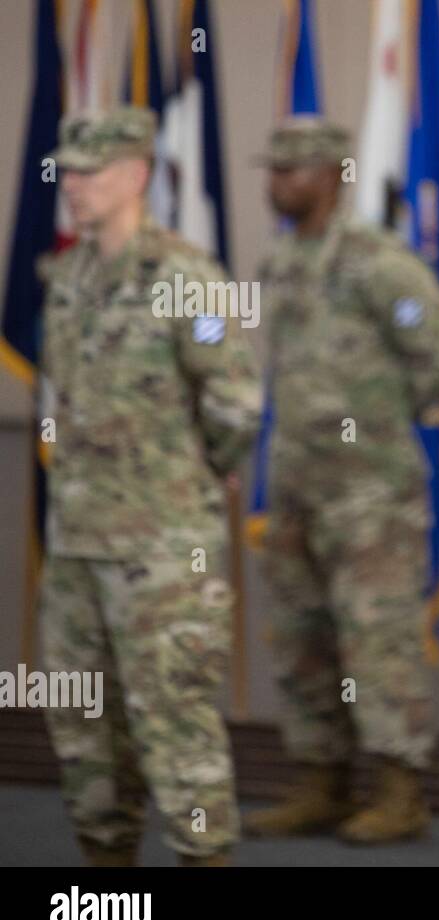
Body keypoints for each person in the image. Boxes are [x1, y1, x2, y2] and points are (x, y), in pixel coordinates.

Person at [38, 106, 262, 866]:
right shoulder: (66, 276)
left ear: (136, 174)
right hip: (75, 542)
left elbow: (236, 403)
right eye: (66, 169)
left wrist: (189, 475)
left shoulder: (186, 277)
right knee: (84, 732)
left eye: (89, 170)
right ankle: (110, 877)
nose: (72, 184)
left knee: (174, 722)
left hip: (164, 549)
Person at [243, 118, 439, 844]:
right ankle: (322, 781)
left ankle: (400, 792)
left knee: (379, 640)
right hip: (297, 484)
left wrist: (378, 421)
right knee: (303, 637)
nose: (277, 182)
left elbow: (437, 348)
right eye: (272, 170)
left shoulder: (377, 260)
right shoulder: (282, 259)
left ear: (332, 173)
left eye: (292, 170)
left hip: (371, 492)